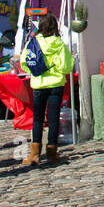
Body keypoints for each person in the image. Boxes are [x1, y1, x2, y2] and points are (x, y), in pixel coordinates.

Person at [18, 14, 74, 165]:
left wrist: (35, 71)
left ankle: (35, 154)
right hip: (56, 84)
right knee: (53, 119)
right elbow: (67, 67)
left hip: (39, 84)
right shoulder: (59, 44)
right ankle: (51, 154)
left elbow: (24, 62)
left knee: (37, 119)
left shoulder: (33, 42)